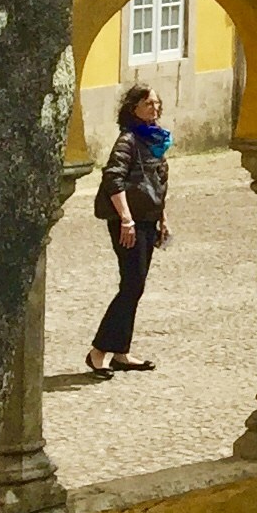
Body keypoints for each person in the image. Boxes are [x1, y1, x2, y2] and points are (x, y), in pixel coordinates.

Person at [88, 85, 169, 374]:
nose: (154, 108)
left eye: (157, 103)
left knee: (136, 286)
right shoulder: (128, 140)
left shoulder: (155, 140)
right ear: (133, 107)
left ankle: (121, 352)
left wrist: (163, 218)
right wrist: (126, 219)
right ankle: (99, 351)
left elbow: (160, 181)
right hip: (128, 223)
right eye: (148, 103)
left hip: (147, 220)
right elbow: (113, 178)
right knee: (131, 284)